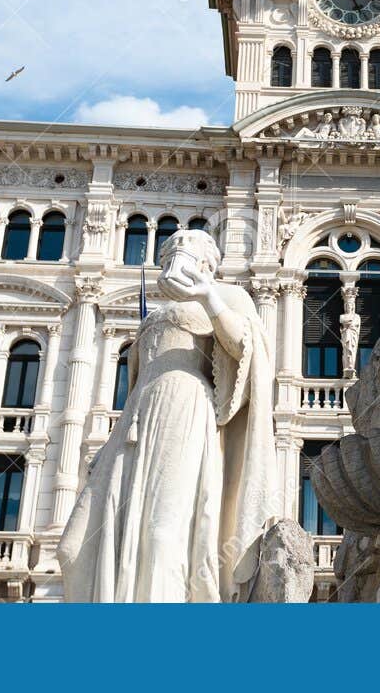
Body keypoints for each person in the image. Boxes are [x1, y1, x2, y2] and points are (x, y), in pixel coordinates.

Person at [58, 229, 281, 601]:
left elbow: (246, 348)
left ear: (208, 261)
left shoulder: (226, 294)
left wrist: (208, 297)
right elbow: (135, 380)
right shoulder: (158, 311)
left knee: (163, 538)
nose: (176, 248)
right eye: (170, 246)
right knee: (75, 545)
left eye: (186, 244)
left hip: (184, 407)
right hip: (136, 418)